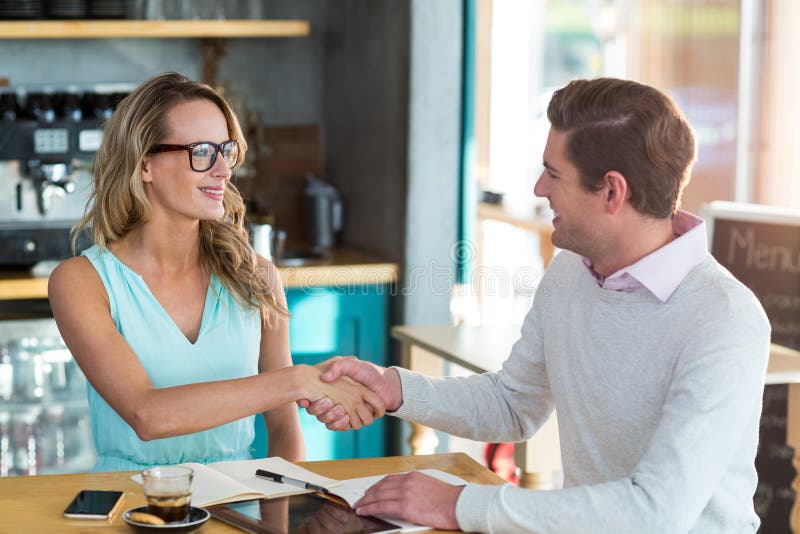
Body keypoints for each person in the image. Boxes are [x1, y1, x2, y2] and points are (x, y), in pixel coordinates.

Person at [301, 78, 771, 532]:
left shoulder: (724, 319)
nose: (538, 189)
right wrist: (395, 389)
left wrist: (460, 504)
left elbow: (655, 513)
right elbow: (513, 405)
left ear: (612, 191)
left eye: (553, 173)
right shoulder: (572, 270)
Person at [48, 72, 383, 472]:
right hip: (131, 509)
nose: (223, 170)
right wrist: (297, 381)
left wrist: (276, 522)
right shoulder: (82, 282)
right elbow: (147, 416)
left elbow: (284, 431)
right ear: (144, 165)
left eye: (227, 150)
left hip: (237, 509)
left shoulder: (257, 278)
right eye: (203, 151)